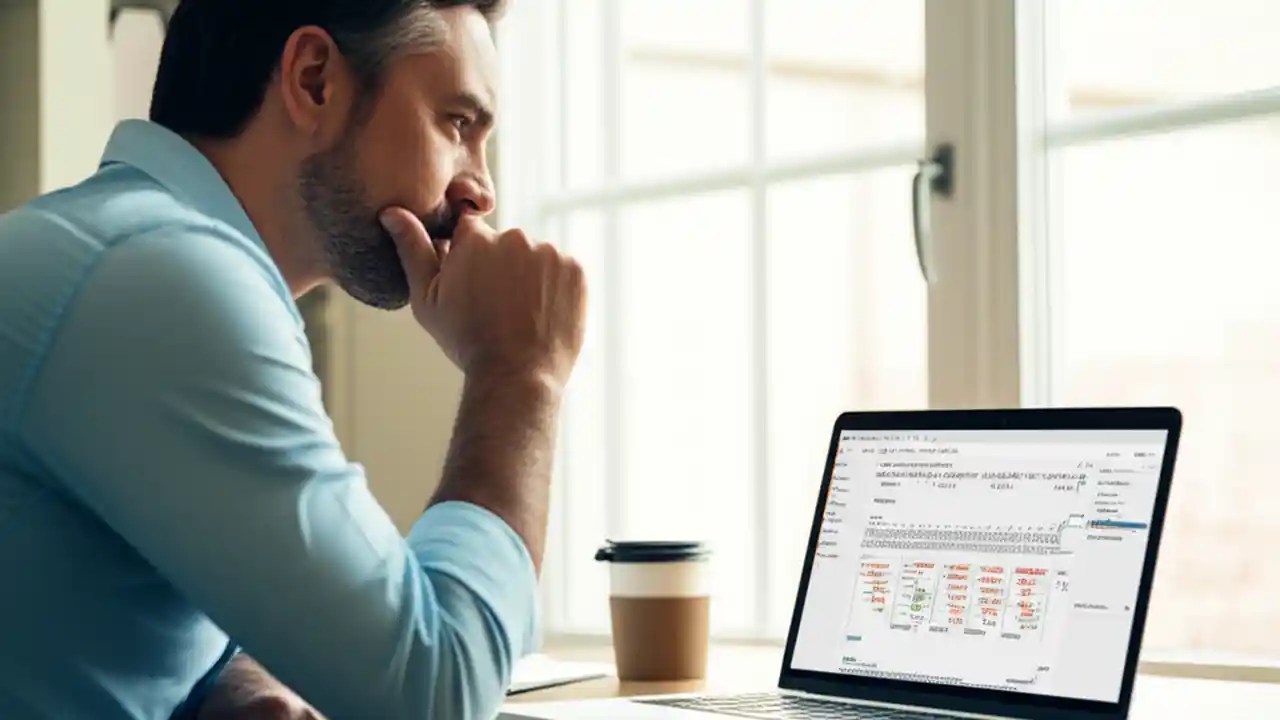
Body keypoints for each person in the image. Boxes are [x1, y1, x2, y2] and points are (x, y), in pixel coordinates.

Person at [0, 0, 587, 718]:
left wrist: (221, 678)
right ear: (313, 81)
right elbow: (434, 694)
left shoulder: (121, 254)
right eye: (457, 124)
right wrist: (521, 370)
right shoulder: (161, 277)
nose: (480, 187)